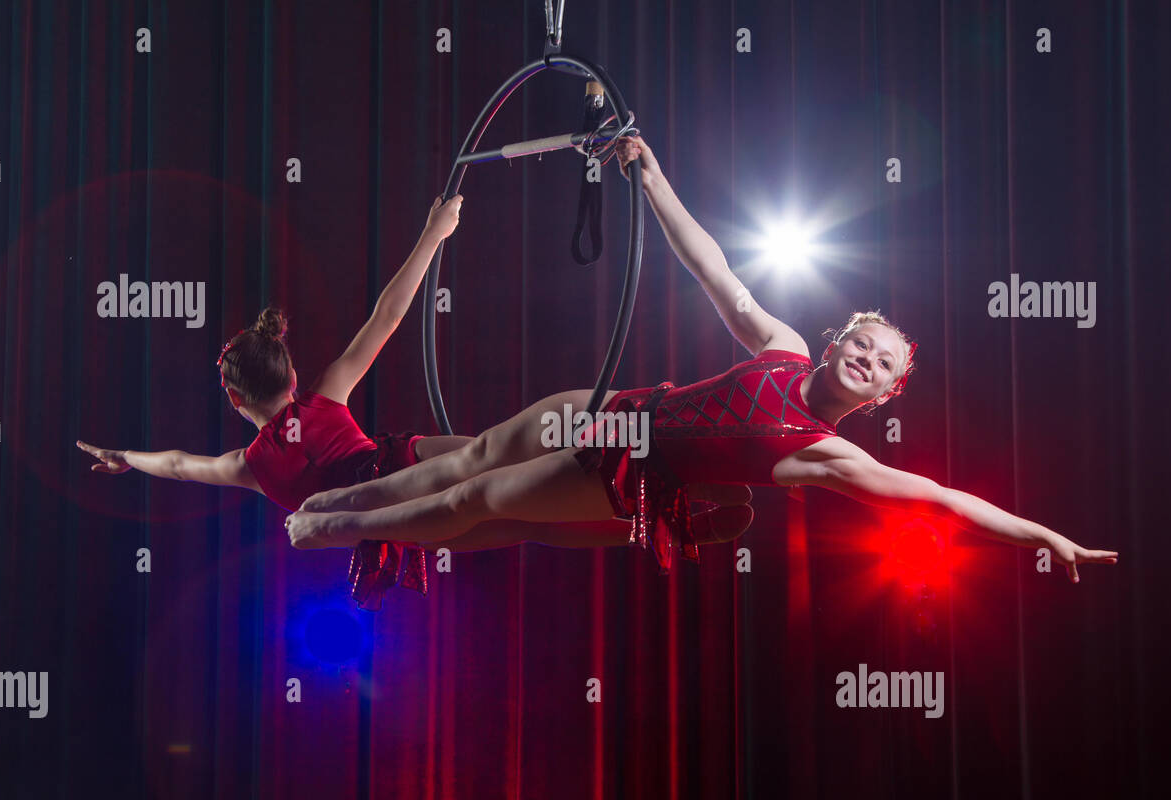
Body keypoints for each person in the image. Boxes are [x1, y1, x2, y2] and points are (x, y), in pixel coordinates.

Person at [286, 136, 1118, 585]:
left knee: (477, 497)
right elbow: (713, 266)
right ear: (835, 342)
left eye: (882, 362)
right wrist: (650, 177)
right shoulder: (784, 348)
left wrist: (1046, 538)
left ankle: (339, 526)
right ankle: (341, 495)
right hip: (621, 406)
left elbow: (940, 499)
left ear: (885, 394)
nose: (865, 357)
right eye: (862, 342)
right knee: (471, 452)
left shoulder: (825, 455)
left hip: (635, 473)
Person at [76, 194, 756, 609]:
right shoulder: (321, 400)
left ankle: (678, 517)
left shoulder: (249, 465)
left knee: (531, 521)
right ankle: (669, 465)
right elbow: (387, 316)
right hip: (406, 470)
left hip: (402, 516)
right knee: (518, 458)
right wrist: (434, 232)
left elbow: (178, 462)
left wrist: (123, 458)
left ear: (232, 396)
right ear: (291, 371)